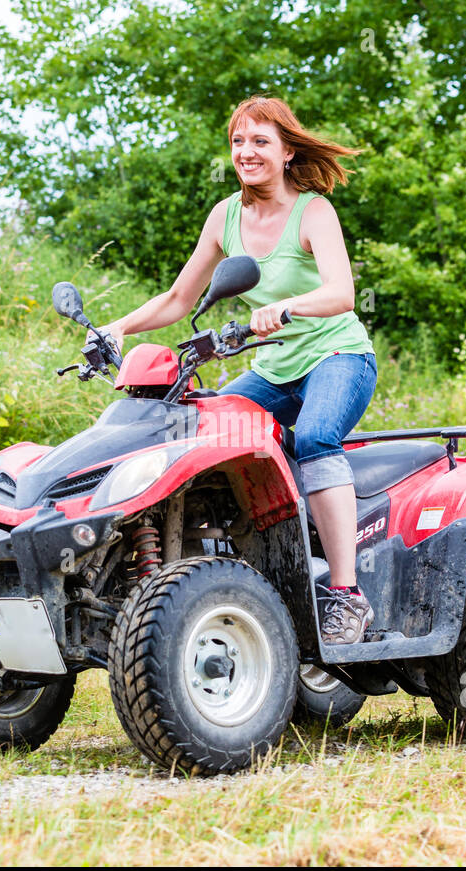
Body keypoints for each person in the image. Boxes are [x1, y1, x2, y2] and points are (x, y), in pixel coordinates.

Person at [96, 95, 377, 646]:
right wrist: (118, 328)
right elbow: (180, 297)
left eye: (260, 141)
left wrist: (289, 308)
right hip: (275, 369)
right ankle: (228, 572)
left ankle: (347, 596)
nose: (246, 152)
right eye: (238, 141)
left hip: (338, 357)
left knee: (317, 437)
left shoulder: (313, 212)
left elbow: (342, 293)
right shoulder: (226, 216)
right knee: (203, 434)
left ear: (288, 152)